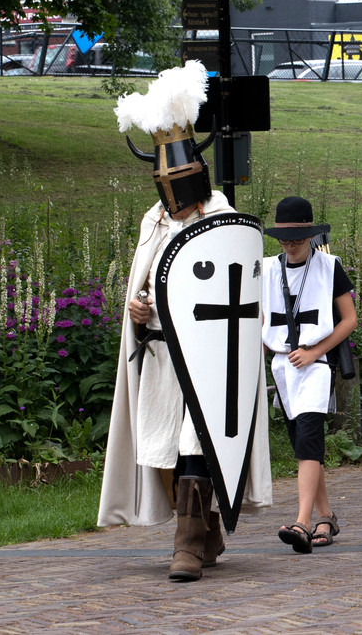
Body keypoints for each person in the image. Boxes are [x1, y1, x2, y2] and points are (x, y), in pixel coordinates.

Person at [98, 61, 272, 582]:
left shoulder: (221, 219)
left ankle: (188, 547)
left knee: (200, 441)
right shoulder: (152, 223)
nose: (174, 195)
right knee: (167, 448)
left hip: (211, 357)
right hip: (161, 356)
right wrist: (136, 306)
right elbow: (147, 283)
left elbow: (236, 290)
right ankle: (207, 528)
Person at [260, 196, 357, 553]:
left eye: (297, 240)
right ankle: (326, 517)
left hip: (316, 366)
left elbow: (349, 319)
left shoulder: (330, 267)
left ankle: (301, 522)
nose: (290, 246)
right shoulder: (268, 269)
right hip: (283, 367)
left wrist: (316, 351)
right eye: (284, 240)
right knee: (303, 448)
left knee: (309, 441)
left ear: (311, 236)